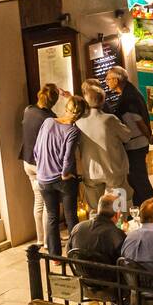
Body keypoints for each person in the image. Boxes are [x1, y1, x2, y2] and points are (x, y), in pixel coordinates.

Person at [34, 94, 84, 256]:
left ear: (65, 108)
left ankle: (55, 256)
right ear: (81, 115)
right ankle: (75, 254)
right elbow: (68, 157)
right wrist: (65, 174)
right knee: (71, 217)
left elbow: (36, 150)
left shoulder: (48, 122)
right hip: (62, 180)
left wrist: (42, 169)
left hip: (43, 178)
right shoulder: (72, 131)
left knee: (52, 217)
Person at [75, 85, 131, 211]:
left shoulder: (79, 122)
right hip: (113, 169)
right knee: (118, 208)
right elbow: (127, 136)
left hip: (91, 171)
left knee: (94, 209)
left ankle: (96, 230)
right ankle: (118, 229)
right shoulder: (109, 119)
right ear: (103, 101)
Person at [105, 66, 153, 203]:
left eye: (108, 79)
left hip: (136, 144)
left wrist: (149, 136)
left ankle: (152, 207)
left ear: (116, 80)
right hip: (137, 142)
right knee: (136, 179)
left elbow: (138, 120)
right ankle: (141, 208)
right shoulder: (130, 91)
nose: (106, 82)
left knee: (139, 179)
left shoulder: (128, 98)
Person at [20, 83, 60, 246]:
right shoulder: (49, 118)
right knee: (47, 204)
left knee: (38, 201)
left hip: (27, 161)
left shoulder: (28, 110)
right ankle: (47, 241)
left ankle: (40, 238)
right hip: (41, 164)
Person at [69, 190, 126, 266]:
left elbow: (69, 253)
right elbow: (125, 261)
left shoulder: (77, 228)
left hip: (81, 274)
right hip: (108, 276)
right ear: (117, 215)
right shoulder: (116, 235)